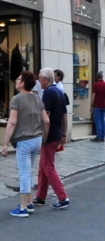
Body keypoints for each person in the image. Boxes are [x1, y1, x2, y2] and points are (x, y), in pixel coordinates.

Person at [0, 71, 46, 218]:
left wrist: (5, 143)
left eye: (19, 79)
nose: (17, 81)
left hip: (24, 140)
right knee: (28, 171)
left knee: (24, 173)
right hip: (37, 139)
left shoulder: (17, 99)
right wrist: (43, 137)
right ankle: (30, 202)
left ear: (23, 83)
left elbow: (12, 122)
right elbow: (46, 120)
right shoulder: (37, 99)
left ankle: (23, 207)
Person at [34, 67, 71, 210]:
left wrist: (43, 137)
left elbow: (46, 118)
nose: (38, 81)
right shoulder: (59, 92)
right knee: (43, 166)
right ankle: (41, 197)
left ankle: (63, 197)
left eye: (40, 78)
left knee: (48, 167)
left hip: (49, 136)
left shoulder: (48, 94)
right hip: (57, 134)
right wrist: (63, 134)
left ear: (46, 79)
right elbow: (64, 115)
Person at [92, 72, 105, 141]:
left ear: (97, 77)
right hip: (103, 105)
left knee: (98, 121)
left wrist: (91, 105)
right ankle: (103, 137)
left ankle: (98, 137)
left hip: (97, 105)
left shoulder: (95, 85)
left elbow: (93, 96)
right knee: (102, 121)